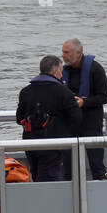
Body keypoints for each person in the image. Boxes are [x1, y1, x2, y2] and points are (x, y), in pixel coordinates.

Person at [16, 54, 81, 182]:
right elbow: (77, 118)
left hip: (30, 145)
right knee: (49, 180)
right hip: (53, 145)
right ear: (54, 71)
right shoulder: (64, 92)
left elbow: (19, 118)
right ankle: (47, 202)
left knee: (36, 177)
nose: (62, 76)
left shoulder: (25, 91)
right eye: (61, 72)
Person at [60, 38, 107, 179]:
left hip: (91, 126)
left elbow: (105, 97)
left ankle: (101, 195)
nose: (63, 56)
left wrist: (84, 102)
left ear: (78, 53)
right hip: (69, 127)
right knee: (68, 170)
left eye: (66, 52)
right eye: (62, 52)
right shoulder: (62, 71)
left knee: (97, 167)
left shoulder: (95, 69)